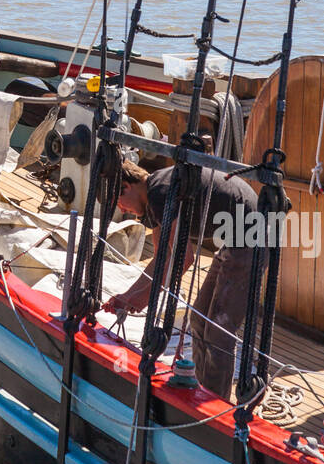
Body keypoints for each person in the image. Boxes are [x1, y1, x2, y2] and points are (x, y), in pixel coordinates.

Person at [103, 160, 261, 401]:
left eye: (119, 202)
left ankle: (214, 406)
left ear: (126, 186)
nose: (122, 210)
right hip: (236, 241)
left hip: (252, 241)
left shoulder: (159, 192)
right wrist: (128, 297)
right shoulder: (157, 195)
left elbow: (183, 258)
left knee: (218, 329)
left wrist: (143, 299)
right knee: (199, 320)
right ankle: (200, 389)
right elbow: (162, 257)